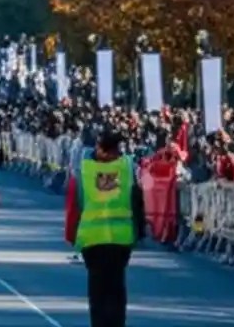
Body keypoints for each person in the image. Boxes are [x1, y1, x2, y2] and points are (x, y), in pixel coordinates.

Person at [64, 130, 146, 327]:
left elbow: (74, 205)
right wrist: (139, 232)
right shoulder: (127, 169)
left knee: (98, 294)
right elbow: (138, 202)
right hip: (120, 240)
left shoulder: (84, 171)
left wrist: (71, 235)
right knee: (116, 292)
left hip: (93, 241)